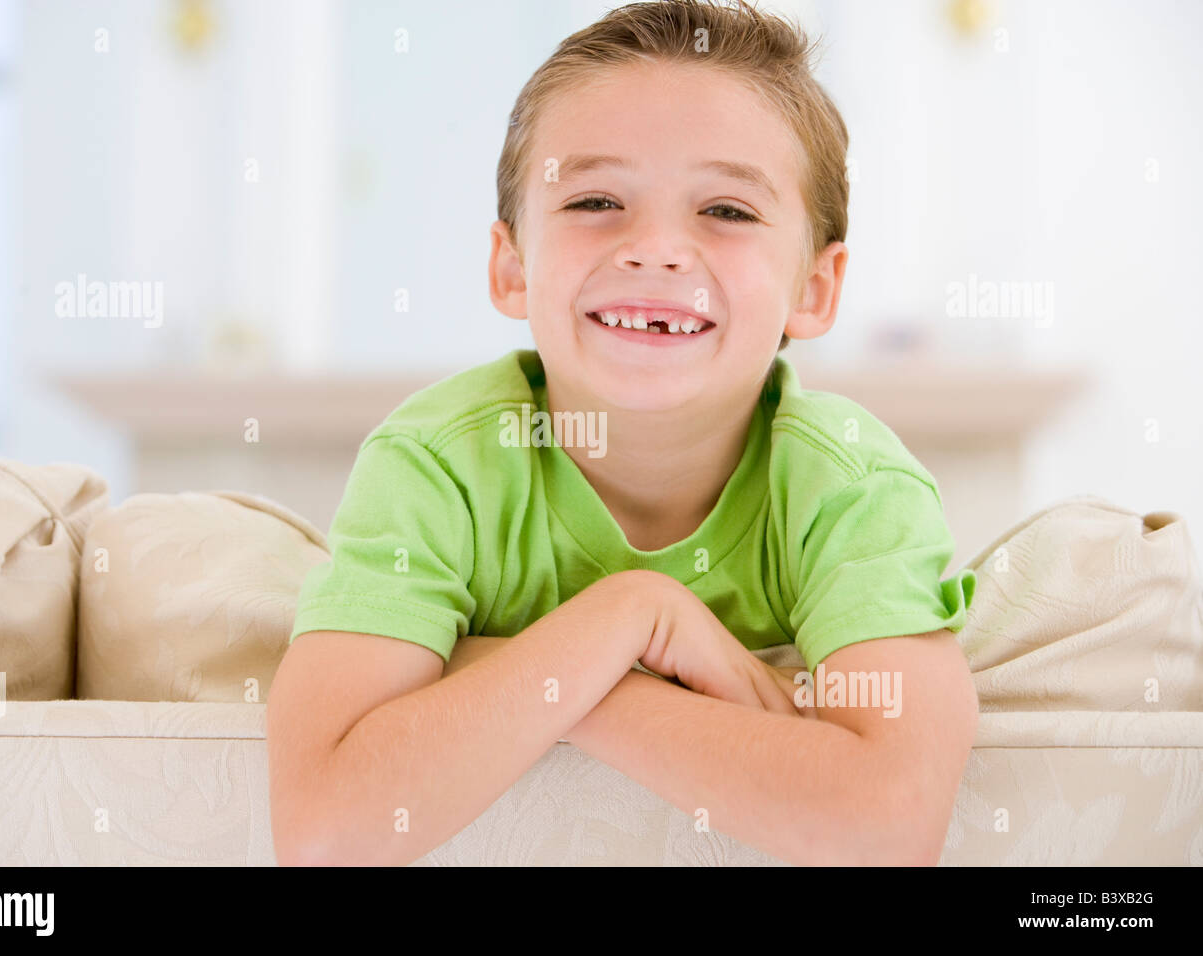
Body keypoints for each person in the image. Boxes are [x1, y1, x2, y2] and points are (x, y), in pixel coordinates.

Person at [268, 0, 977, 867]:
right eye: (597, 199)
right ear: (511, 266)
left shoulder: (852, 485)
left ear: (815, 289)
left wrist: (576, 682)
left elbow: (888, 827)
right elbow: (323, 830)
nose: (655, 250)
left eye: (727, 210)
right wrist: (634, 614)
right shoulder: (437, 466)